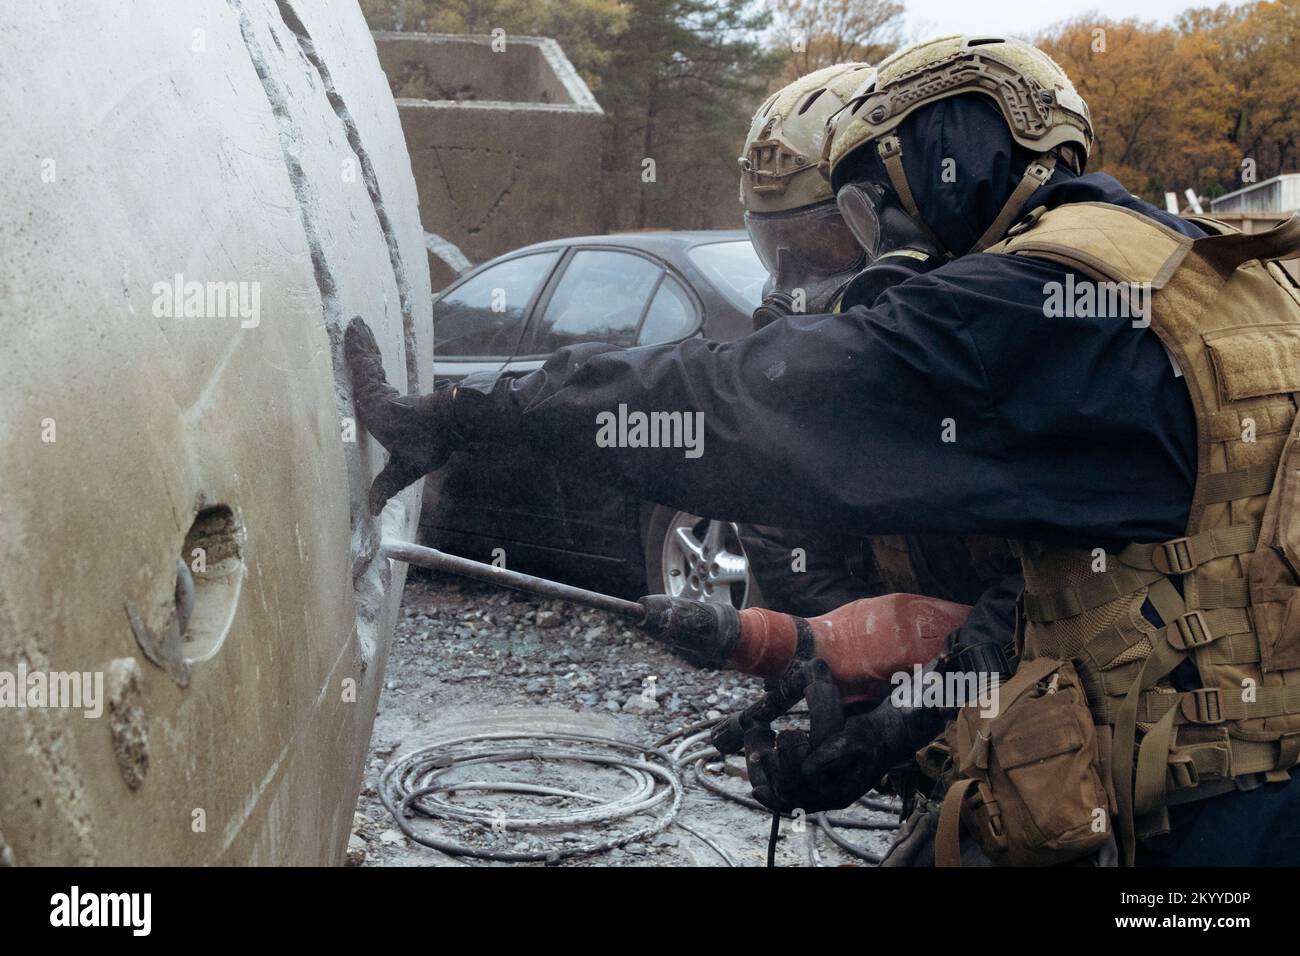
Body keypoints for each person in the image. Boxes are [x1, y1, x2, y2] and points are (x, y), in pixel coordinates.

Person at [346, 35, 1300, 865]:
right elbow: (1078, 596)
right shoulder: (1204, 278)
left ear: (940, 160)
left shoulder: (1028, 309)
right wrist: (882, 724)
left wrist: (474, 416)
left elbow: (736, 405)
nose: (875, 246)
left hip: (1213, 817)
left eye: (871, 208)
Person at [736, 61, 1013, 620]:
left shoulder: (1005, 344)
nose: (793, 287)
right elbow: (794, 567)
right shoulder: (802, 383)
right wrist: (854, 656)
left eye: (823, 248)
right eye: (776, 250)